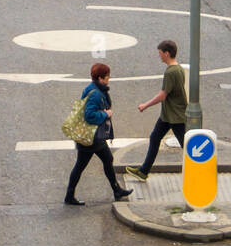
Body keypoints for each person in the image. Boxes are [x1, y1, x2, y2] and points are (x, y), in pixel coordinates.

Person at [64, 62, 132, 205]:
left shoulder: (92, 88)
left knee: (105, 160)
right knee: (84, 165)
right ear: (100, 78)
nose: (109, 78)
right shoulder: (95, 94)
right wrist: (105, 114)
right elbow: (89, 115)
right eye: (107, 76)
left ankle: (116, 190)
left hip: (91, 136)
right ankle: (70, 196)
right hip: (91, 138)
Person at [125, 40, 187, 182]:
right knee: (154, 138)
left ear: (167, 53)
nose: (159, 56)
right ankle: (143, 171)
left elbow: (163, 95)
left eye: (160, 53)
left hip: (175, 116)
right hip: (168, 115)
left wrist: (145, 105)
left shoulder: (171, 72)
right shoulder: (179, 69)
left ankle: (199, 170)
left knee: (187, 146)